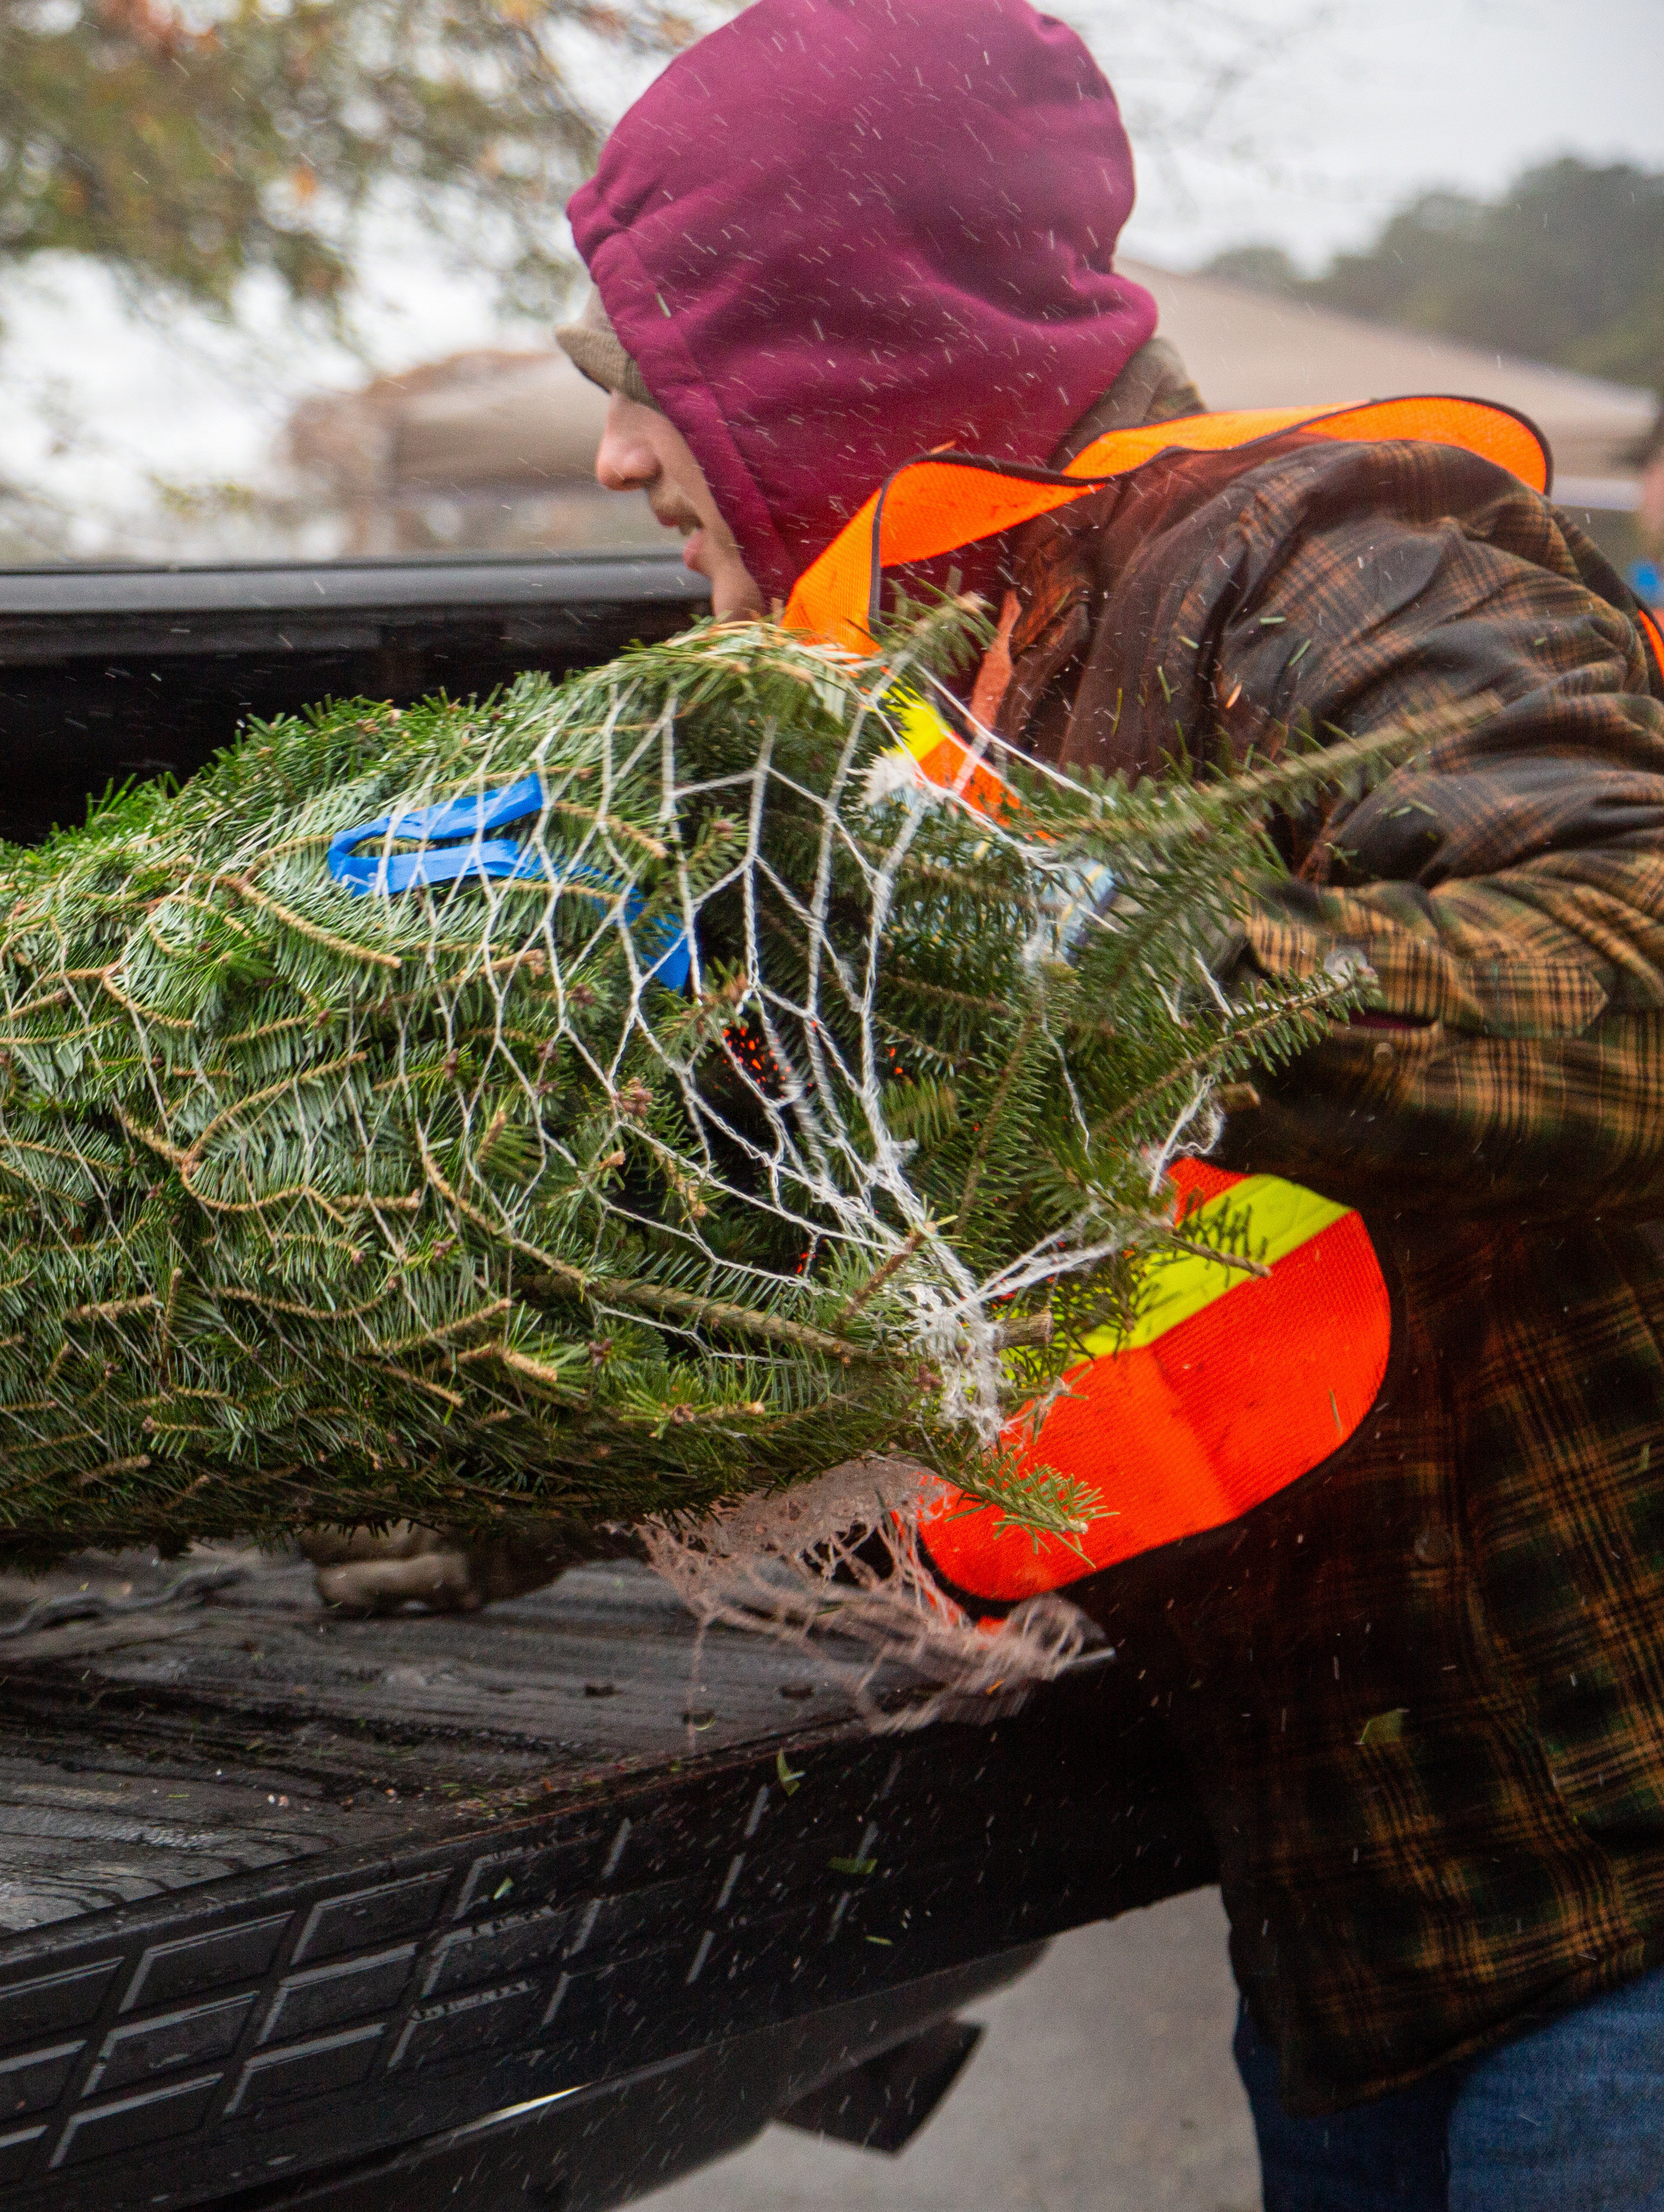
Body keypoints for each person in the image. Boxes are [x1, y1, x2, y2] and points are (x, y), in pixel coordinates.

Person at [551, 2, 1664, 2206]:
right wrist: (522, 1451)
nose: (613, 460)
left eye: (638, 382)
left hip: (1620, 1915)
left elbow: (1631, 980)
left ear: (836, 339)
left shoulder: (1334, 557)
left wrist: (1100, 972)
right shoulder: (976, 673)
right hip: (1361, 1927)